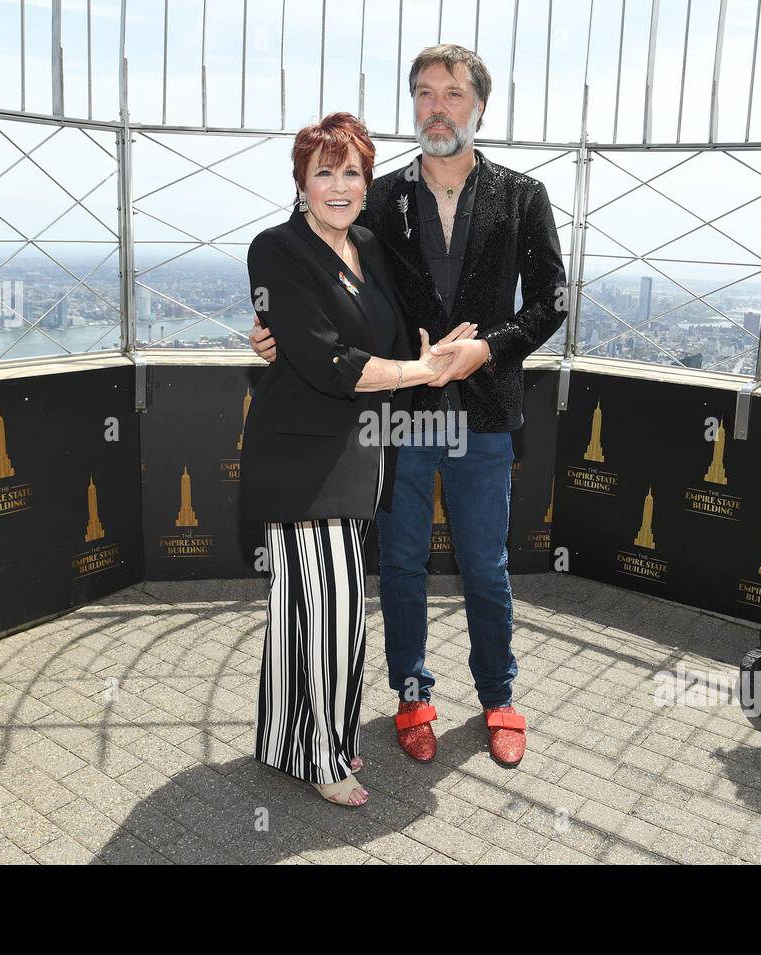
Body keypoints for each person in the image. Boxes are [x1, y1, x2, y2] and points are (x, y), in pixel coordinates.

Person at [250, 45, 568, 768]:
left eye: (452, 93)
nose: (436, 106)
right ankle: (413, 691)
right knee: (400, 561)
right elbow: (315, 263)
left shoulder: (524, 196)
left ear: (479, 105)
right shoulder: (379, 195)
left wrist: (487, 348)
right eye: (423, 93)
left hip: (484, 413)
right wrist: (278, 329)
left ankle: (497, 695)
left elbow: (552, 301)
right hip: (401, 410)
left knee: (486, 566)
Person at [240, 112, 478, 807]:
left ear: (366, 183)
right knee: (334, 615)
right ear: (302, 182)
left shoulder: (369, 247)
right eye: (324, 172)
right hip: (302, 466)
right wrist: (419, 371)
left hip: (363, 457)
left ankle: (287, 739)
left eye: (351, 172)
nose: (338, 186)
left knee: (303, 612)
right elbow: (326, 361)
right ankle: (323, 757)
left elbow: (397, 331)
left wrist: (436, 354)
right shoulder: (276, 249)